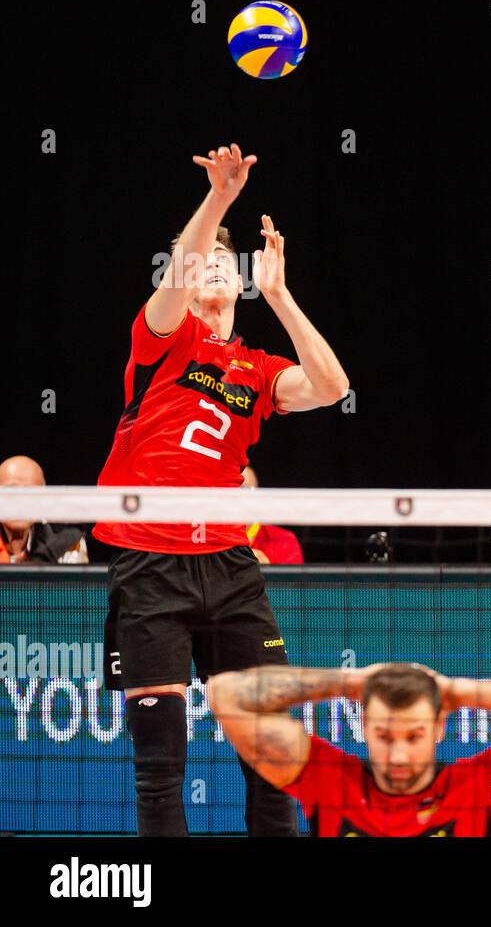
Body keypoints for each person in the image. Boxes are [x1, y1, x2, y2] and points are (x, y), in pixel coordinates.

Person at [93, 142, 350, 836]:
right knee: (161, 767)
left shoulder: (258, 369)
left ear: (238, 283)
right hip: (150, 562)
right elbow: (182, 265)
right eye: (202, 260)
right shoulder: (163, 341)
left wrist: (282, 295)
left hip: (232, 569)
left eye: (223, 265)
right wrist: (221, 198)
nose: (210, 268)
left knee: (274, 754)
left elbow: (332, 386)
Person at [208, 663, 491, 836]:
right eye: (384, 736)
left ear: (440, 726)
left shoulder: (479, 789)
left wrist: (456, 691)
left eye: (414, 737)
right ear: (362, 727)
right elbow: (224, 694)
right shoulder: (328, 781)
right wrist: (350, 682)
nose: (398, 757)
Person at [0, 455, 88, 564]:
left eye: (30, 493)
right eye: (11, 492)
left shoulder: (67, 543)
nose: (21, 502)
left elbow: (74, 581)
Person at [240, 466, 304, 564]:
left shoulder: (283, 540)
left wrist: (268, 572)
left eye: (246, 489)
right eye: (231, 488)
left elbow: (295, 579)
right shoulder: (208, 539)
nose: (238, 495)